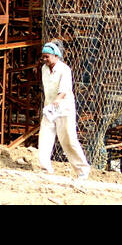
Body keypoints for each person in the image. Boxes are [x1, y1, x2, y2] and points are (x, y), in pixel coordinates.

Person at [38, 40, 91, 180]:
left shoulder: (64, 69)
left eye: (47, 56)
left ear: (56, 56)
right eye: (43, 56)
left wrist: (57, 100)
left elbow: (65, 90)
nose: (44, 59)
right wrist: (50, 104)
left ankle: (82, 170)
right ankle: (45, 168)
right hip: (50, 108)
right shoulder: (44, 69)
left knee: (68, 139)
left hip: (64, 108)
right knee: (45, 136)